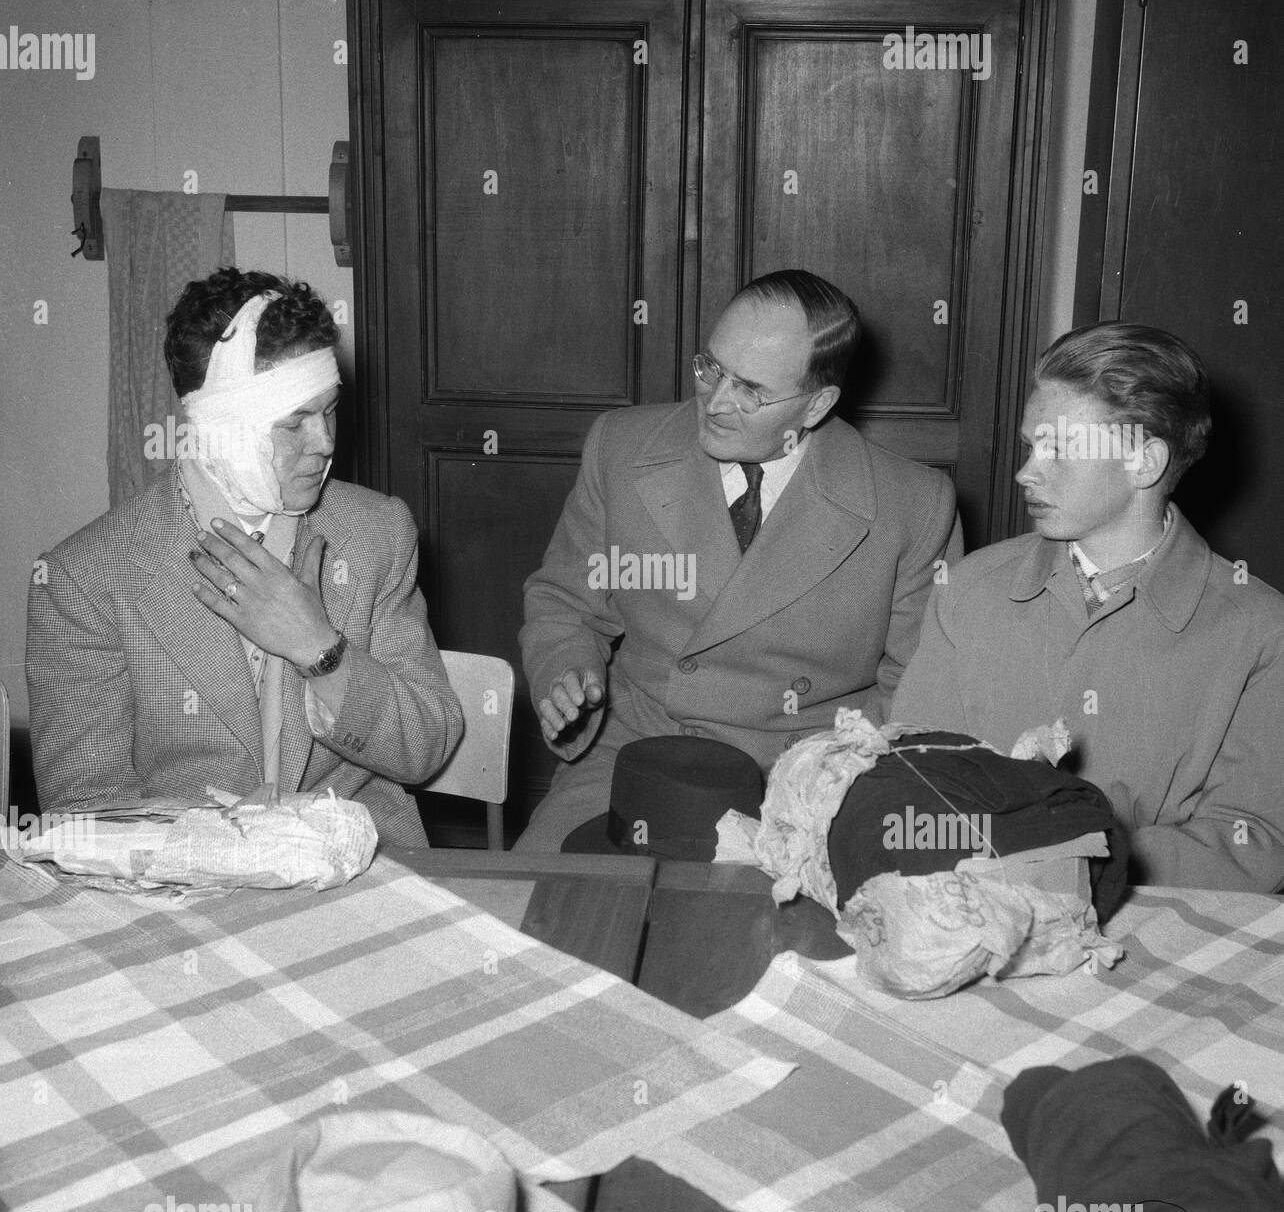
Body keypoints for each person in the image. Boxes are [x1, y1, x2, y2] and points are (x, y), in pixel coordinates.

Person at [515, 268, 961, 854]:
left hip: (802, 784)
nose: (716, 402)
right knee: (528, 919)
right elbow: (565, 602)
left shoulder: (913, 505)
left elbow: (917, 692)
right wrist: (567, 673)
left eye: (750, 389)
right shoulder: (621, 448)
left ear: (817, 404)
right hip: (632, 757)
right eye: (711, 369)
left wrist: (832, 782)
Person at [27, 268, 462, 847]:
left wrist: (319, 650)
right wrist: (228, 846)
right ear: (220, 428)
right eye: (294, 423)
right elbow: (84, 814)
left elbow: (426, 746)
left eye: (329, 409)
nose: (326, 441)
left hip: (363, 861)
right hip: (183, 889)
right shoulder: (85, 578)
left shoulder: (376, 532)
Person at [893, 322, 1284, 893]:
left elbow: (1252, 842)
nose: (1027, 471)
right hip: (962, 902)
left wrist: (1075, 855)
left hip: (1158, 929)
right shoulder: (971, 587)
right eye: (1032, 445)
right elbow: (912, 776)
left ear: (1145, 463)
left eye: (1061, 447)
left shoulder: (1260, 629)